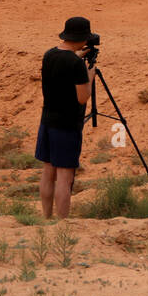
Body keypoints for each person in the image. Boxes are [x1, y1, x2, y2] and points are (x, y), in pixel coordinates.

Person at [35, 16, 96, 219]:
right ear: (82, 38)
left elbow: (61, 69)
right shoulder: (76, 64)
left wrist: (77, 59)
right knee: (65, 176)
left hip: (48, 119)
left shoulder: (50, 54)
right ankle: (62, 223)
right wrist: (90, 73)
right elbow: (83, 97)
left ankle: (46, 218)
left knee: (48, 171)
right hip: (67, 124)